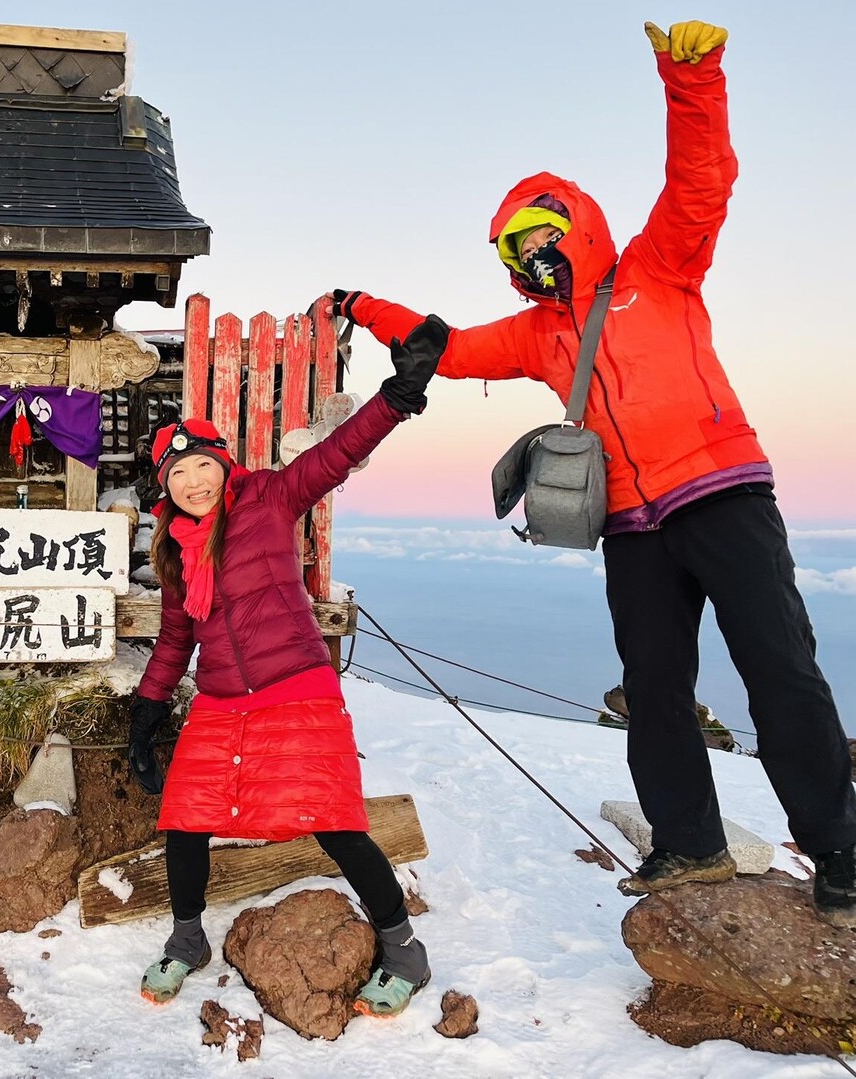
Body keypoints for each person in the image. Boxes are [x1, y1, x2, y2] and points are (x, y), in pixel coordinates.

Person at [332, 20, 856, 925]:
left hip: (722, 492)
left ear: (574, 226)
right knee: (653, 686)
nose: (528, 256)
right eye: (511, 250)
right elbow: (449, 348)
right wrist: (364, 306)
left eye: (538, 234)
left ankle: (841, 848)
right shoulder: (540, 333)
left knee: (780, 672)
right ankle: (688, 840)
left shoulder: (660, 264)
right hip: (632, 526)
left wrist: (689, 74)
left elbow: (700, 180)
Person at [127, 316, 447, 1017]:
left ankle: (403, 950)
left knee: (334, 819)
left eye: (200, 465)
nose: (191, 481)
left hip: (294, 687)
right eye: (176, 473)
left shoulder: (271, 498)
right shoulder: (176, 552)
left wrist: (397, 395)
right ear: (166, 486)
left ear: (222, 465)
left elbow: (336, 454)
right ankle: (187, 940)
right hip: (218, 700)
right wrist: (146, 707)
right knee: (186, 816)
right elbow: (175, 639)